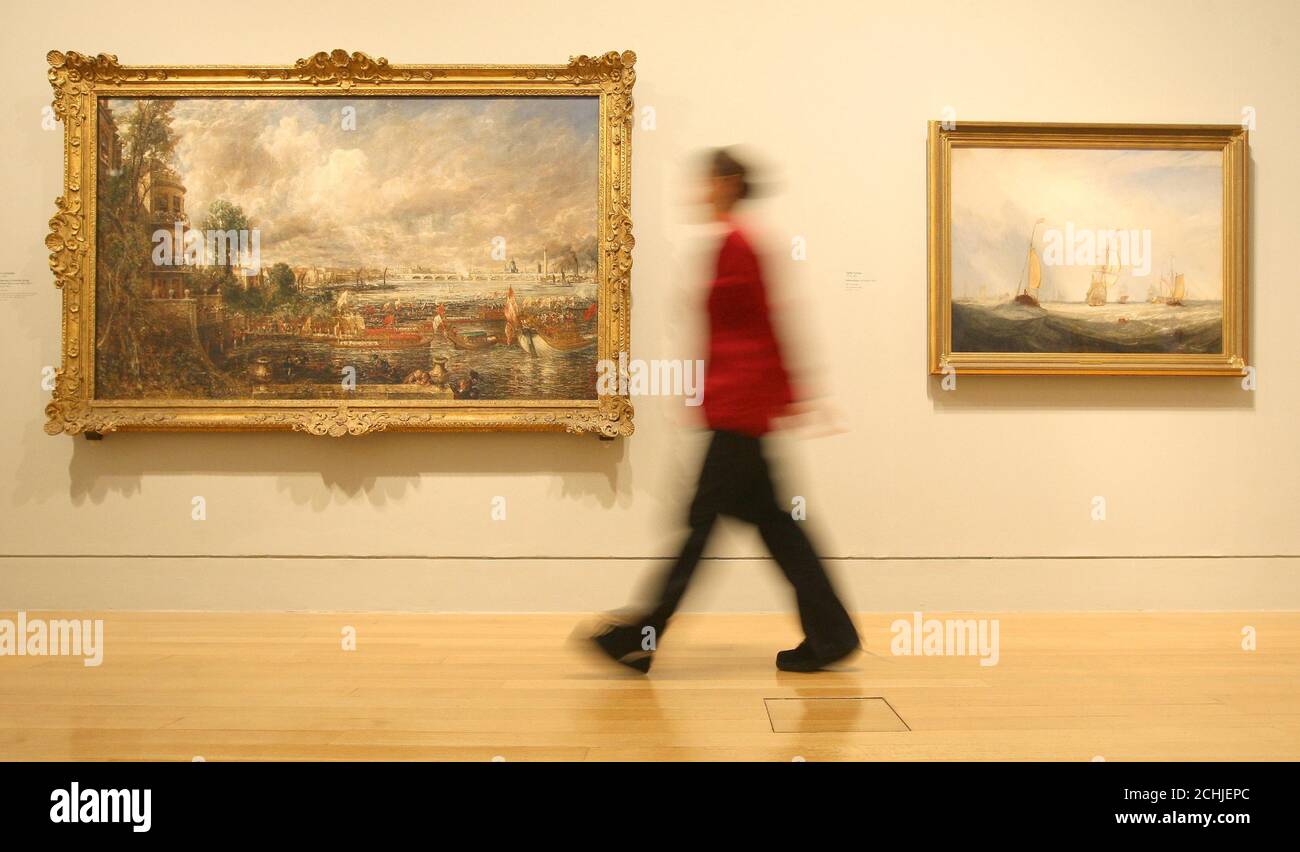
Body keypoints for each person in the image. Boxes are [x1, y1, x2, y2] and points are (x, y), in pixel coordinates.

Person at [590, 148, 860, 674]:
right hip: (738, 409)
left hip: (739, 413)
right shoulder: (734, 244)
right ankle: (832, 635)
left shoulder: (740, 245)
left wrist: (789, 395)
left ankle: (640, 636)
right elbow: (758, 327)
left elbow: (765, 325)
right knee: (776, 530)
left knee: (701, 530)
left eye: (708, 182)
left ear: (729, 182)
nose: (699, 191)